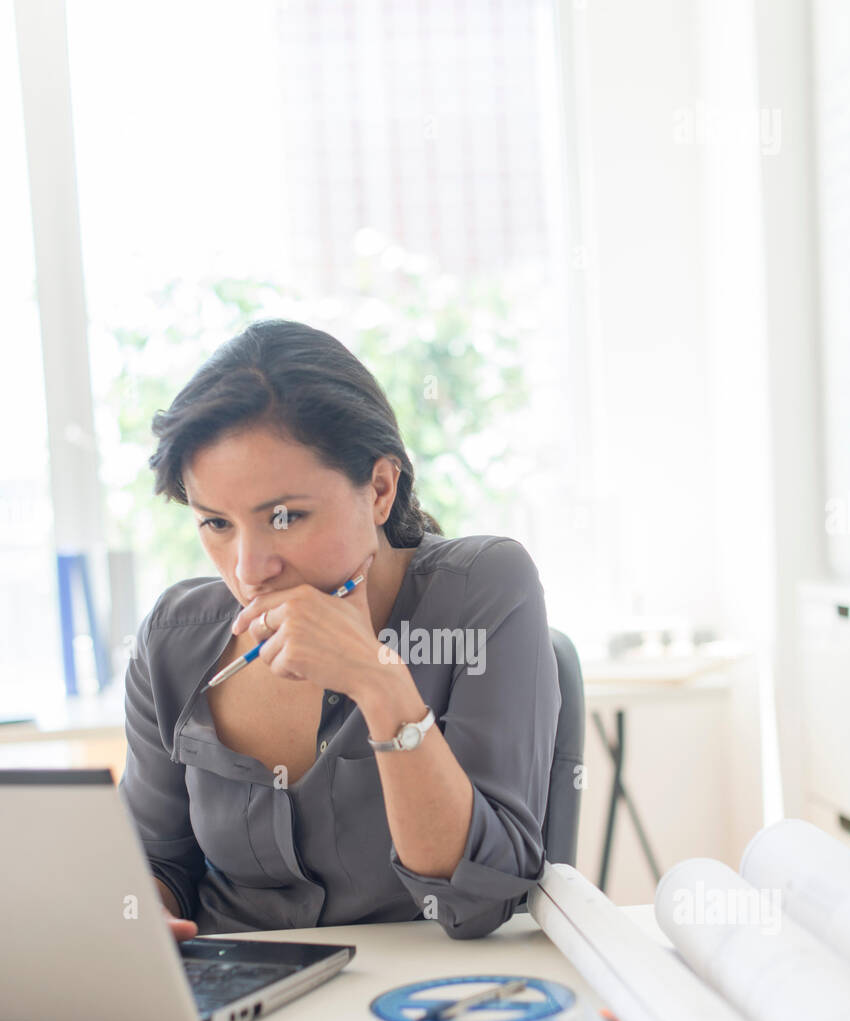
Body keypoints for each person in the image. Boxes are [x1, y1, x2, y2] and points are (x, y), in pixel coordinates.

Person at [119, 319, 561, 941]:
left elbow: (477, 899)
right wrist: (144, 915)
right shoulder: (174, 638)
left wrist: (378, 683)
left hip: (419, 1007)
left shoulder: (481, 591)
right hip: (231, 1003)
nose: (249, 568)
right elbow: (156, 861)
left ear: (380, 489)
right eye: (216, 524)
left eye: (285, 517)